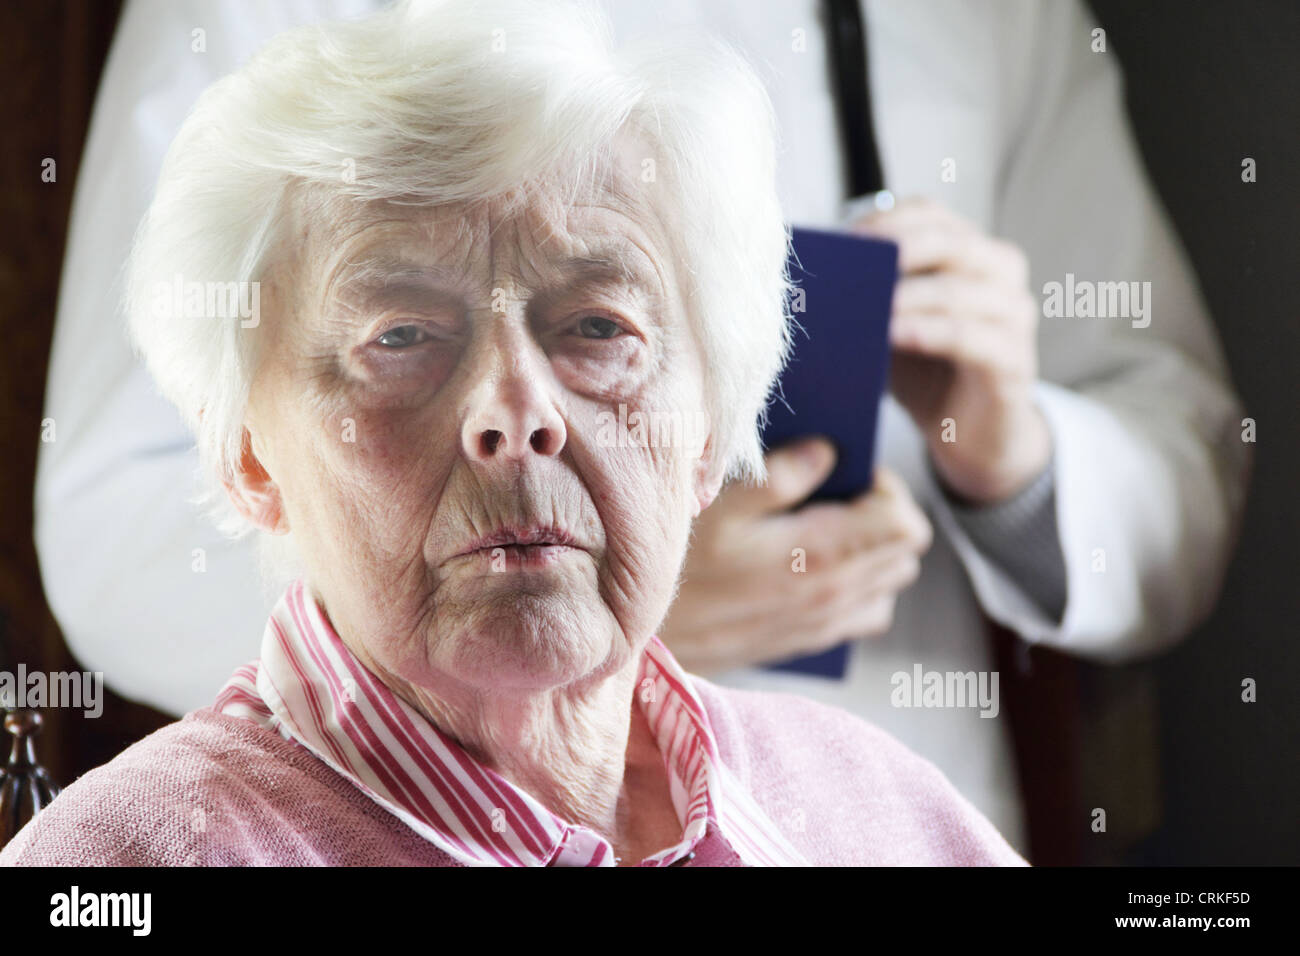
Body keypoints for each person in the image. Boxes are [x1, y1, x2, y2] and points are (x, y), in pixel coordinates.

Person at [34, 0, 1249, 854]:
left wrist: (1016, 461)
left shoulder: (901, 818)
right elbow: (111, 511)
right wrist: (566, 597)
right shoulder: (128, 864)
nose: (519, 414)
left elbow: (1184, 478)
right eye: (405, 334)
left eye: (599, 329)